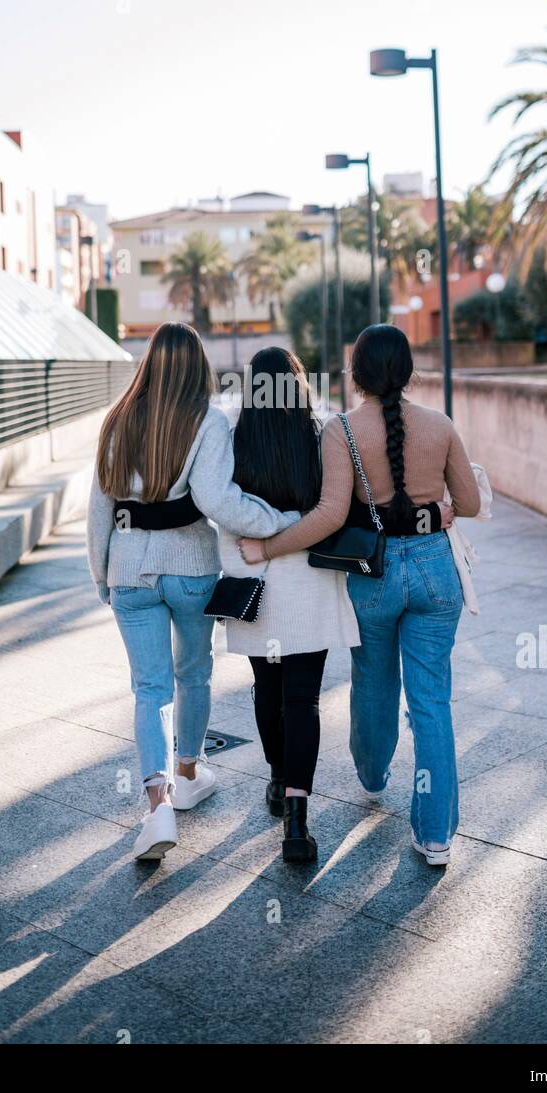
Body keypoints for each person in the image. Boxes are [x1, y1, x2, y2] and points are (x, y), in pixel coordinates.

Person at [240, 325, 480, 867]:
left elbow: (329, 515)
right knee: (432, 703)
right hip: (437, 574)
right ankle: (436, 835)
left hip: (373, 575)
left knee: (373, 684)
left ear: (357, 375)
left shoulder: (341, 431)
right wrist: (430, 510)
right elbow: (465, 500)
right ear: (409, 371)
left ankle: (373, 775)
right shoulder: (440, 426)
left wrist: (270, 547)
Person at [87, 322, 297, 862]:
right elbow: (217, 500)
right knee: (193, 671)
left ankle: (156, 803)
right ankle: (188, 770)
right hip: (191, 570)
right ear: (197, 365)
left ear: (150, 361)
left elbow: (99, 512)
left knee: (149, 689)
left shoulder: (116, 421)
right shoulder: (208, 420)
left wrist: (102, 576)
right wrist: (280, 521)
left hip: (129, 572)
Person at [219, 348, 359, 862]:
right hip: (310, 585)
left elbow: (223, 505)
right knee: (303, 699)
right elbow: (330, 512)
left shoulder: (236, 434)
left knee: (266, 688)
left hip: (254, 582)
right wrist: (293, 523)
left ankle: (278, 780)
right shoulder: (320, 433)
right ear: (298, 384)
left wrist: (264, 529)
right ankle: (297, 824)